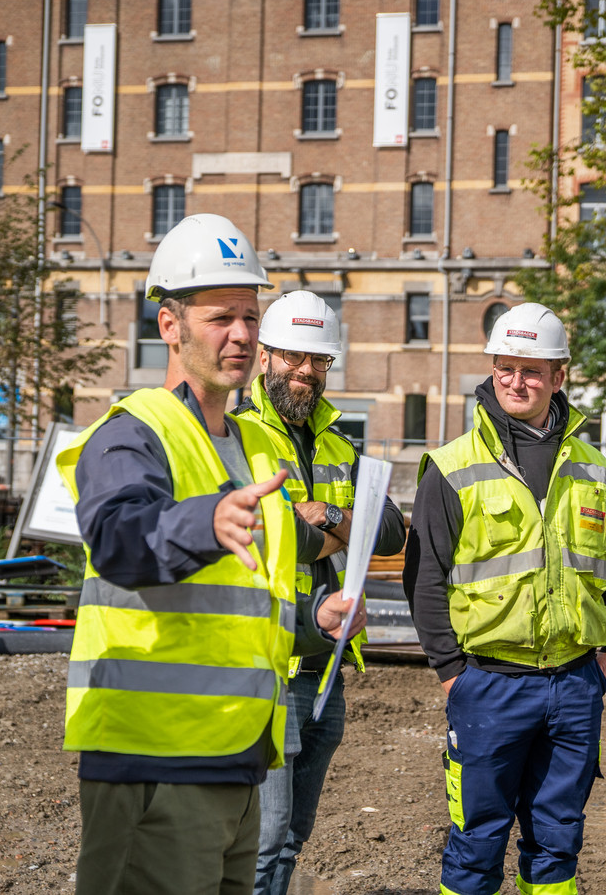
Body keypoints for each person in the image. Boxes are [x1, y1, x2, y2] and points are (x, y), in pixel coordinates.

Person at [55, 215, 367, 895]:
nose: (242, 335)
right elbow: (116, 537)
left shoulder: (256, 451)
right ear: (170, 325)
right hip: (152, 765)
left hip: (236, 759)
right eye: (220, 317)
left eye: (250, 317)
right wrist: (205, 520)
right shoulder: (134, 431)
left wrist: (316, 620)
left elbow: (245, 609)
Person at [403, 302, 606, 895]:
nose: (516, 381)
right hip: (488, 684)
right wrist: (450, 670)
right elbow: (425, 574)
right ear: (492, 369)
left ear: (559, 376)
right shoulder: (452, 467)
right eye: (505, 367)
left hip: (575, 682)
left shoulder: (588, 465)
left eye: (532, 370)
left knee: (559, 832)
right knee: (477, 835)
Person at [233, 289, 407, 895]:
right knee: (264, 832)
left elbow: (389, 529)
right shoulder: (239, 439)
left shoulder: (337, 443)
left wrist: (327, 513)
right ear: (265, 357)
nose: (307, 371)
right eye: (294, 356)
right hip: (267, 660)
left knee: (293, 835)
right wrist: (334, 532)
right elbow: (279, 541)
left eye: (319, 360)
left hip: (323, 660)